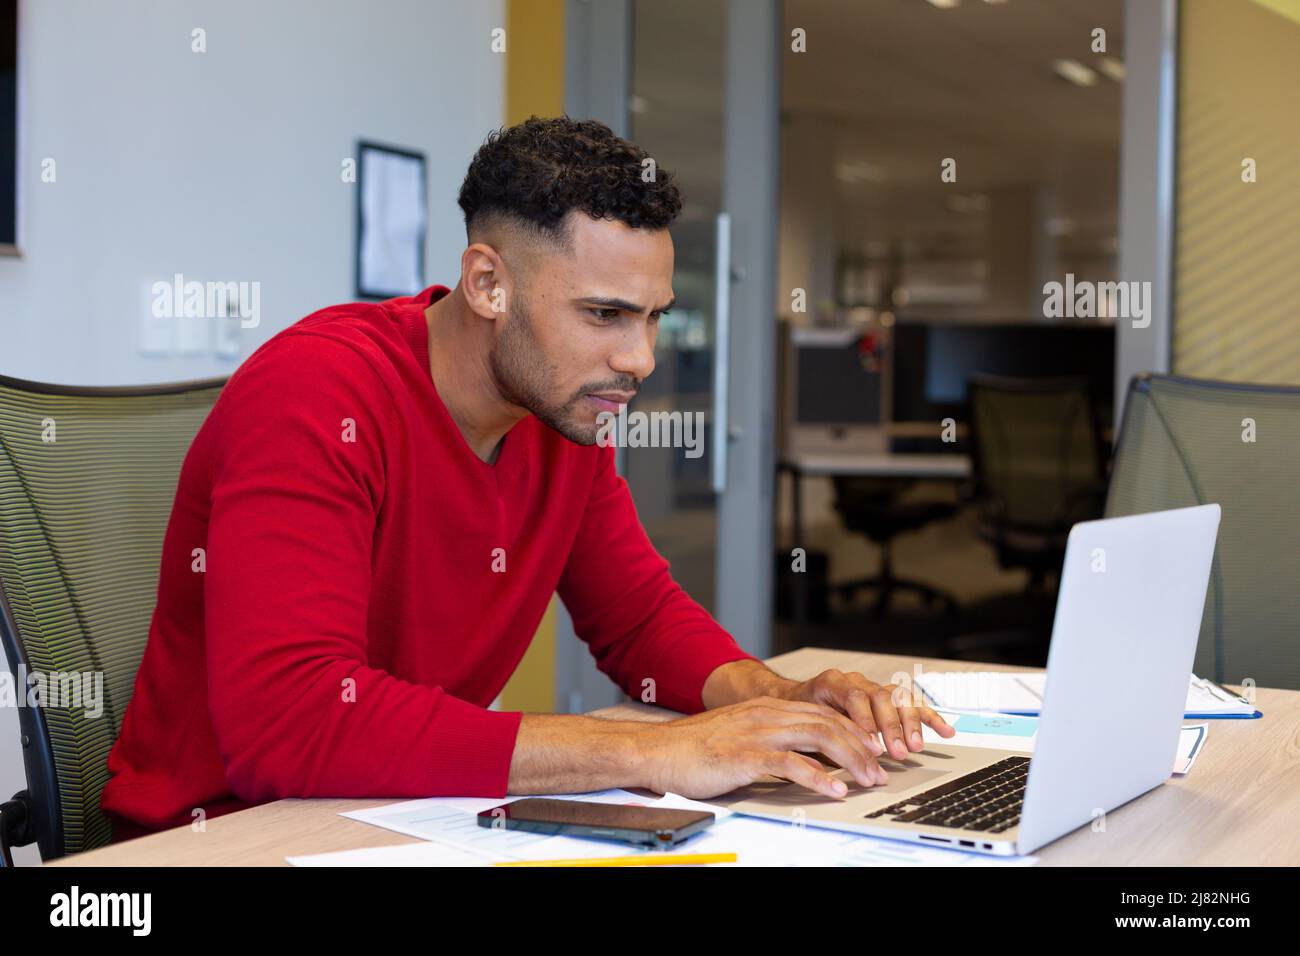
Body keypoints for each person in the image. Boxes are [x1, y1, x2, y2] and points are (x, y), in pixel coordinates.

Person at [102, 115, 953, 838]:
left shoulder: (561, 416)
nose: (639, 358)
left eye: (653, 316)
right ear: (487, 284)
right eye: (603, 314)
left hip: (398, 819)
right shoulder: (316, 394)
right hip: (224, 834)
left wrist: (779, 696)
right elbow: (294, 721)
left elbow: (638, 617)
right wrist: (652, 751)